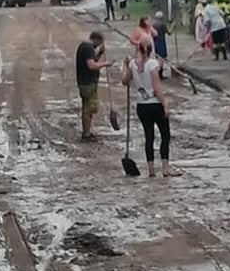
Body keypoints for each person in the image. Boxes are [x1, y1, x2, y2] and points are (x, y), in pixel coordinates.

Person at [121, 35, 181, 178]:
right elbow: (157, 87)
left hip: (142, 106)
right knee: (165, 135)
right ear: (150, 49)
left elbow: (124, 81)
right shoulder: (152, 64)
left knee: (149, 136)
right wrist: (165, 104)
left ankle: (151, 170)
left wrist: (125, 65)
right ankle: (165, 168)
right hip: (155, 104)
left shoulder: (132, 64)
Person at [75, 32, 110, 142]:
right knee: (89, 109)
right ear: (96, 40)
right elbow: (92, 65)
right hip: (88, 83)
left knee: (87, 108)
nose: (100, 45)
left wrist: (99, 54)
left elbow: (92, 60)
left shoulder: (84, 46)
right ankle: (86, 134)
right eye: (100, 43)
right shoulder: (88, 48)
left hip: (84, 82)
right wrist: (105, 64)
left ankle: (87, 132)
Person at [152, 11, 169, 77]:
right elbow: (169, 32)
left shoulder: (153, 24)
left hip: (155, 42)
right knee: (161, 58)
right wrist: (173, 27)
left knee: (156, 57)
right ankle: (159, 73)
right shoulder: (162, 25)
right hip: (161, 42)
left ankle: (157, 72)